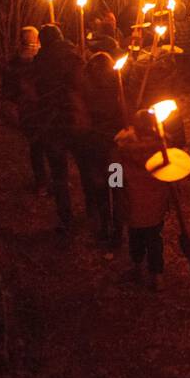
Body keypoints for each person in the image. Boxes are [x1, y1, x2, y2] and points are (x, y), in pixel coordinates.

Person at [32, 24, 90, 232]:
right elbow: (84, 86)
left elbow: (34, 92)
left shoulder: (37, 63)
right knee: (86, 168)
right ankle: (93, 211)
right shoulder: (74, 57)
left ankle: (65, 217)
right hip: (74, 119)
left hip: (51, 123)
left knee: (59, 175)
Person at [114, 110, 170, 289]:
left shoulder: (123, 145)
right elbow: (171, 171)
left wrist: (113, 186)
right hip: (156, 201)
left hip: (132, 201)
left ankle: (138, 267)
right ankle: (157, 275)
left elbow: (114, 168)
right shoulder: (163, 145)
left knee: (135, 236)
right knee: (154, 238)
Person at [80, 52, 127, 244]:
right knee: (116, 188)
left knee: (101, 190)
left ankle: (107, 226)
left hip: (96, 152)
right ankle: (115, 230)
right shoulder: (119, 91)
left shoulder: (86, 92)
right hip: (112, 152)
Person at [1, 26, 45, 193]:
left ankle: (43, 183)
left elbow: (7, 91)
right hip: (38, 110)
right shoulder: (39, 63)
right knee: (43, 147)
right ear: (33, 41)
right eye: (37, 39)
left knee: (37, 147)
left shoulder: (14, 64)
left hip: (29, 111)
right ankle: (45, 183)